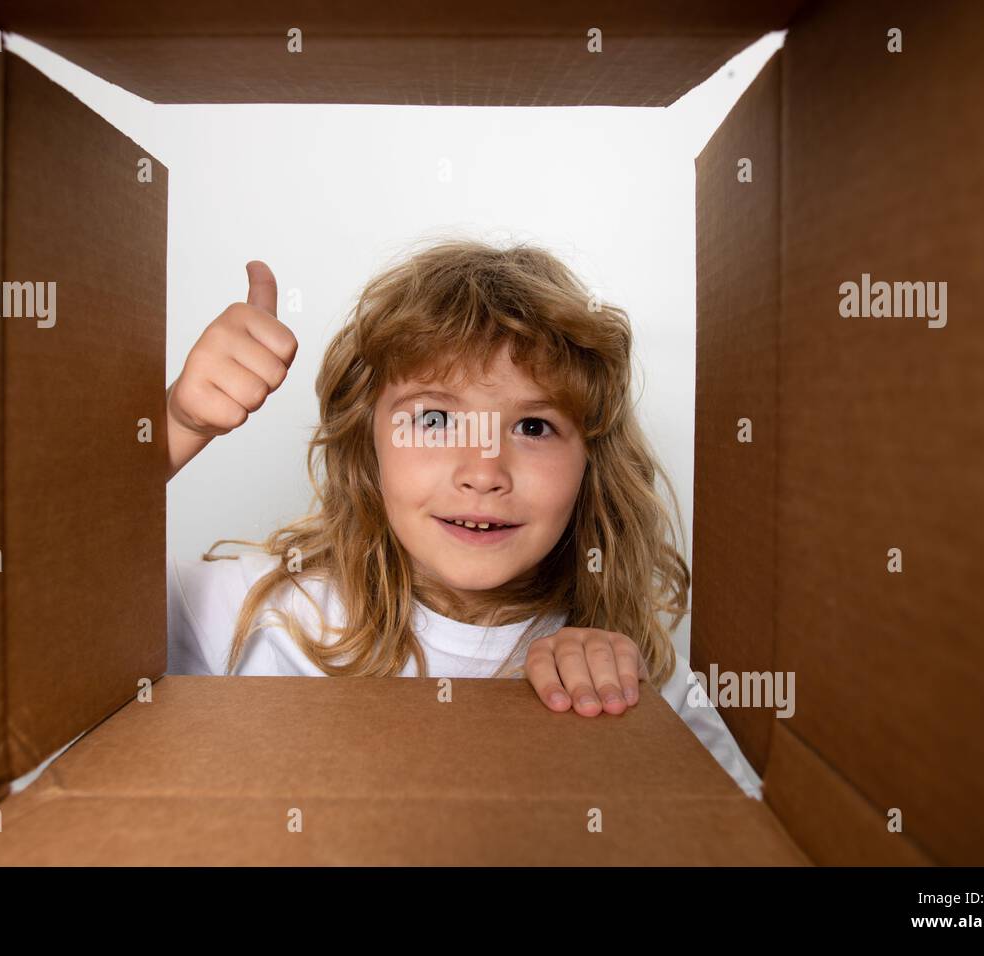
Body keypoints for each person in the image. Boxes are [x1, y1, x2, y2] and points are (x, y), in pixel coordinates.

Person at [165, 239, 762, 799]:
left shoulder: (639, 677)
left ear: (591, 464)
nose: (483, 472)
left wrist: (618, 712)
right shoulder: (248, 614)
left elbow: (744, 837)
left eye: (533, 427)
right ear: (366, 449)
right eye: (433, 420)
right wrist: (172, 431)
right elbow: (72, 634)